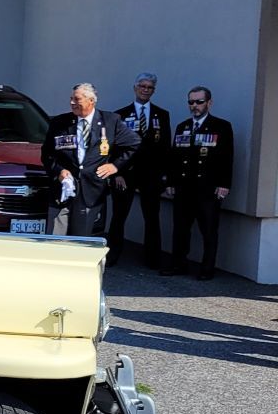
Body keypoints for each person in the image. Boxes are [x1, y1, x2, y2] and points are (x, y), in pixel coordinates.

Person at [41, 83, 140, 236]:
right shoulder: (59, 123)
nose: (72, 103)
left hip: (91, 192)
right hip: (62, 191)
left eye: (77, 99)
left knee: (81, 242)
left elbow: (134, 143)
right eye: (71, 98)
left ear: (91, 101)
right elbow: (47, 154)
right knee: (54, 238)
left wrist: (115, 166)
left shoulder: (110, 121)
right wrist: (59, 171)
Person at [162, 86, 234, 280]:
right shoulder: (183, 126)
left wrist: (224, 184)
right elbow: (175, 157)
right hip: (184, 188)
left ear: (209, 103)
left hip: (207, 189)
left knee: (209, 230)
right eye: (191, 102)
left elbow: (227, 158)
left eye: (199, 102)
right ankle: (178, 264)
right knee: (180, 229)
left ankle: (207, 268)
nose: (194, 106)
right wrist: (170, 181)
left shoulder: (221, 126)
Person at [111, 73, 172, 267]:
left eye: (150, 87)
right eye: (142, 86)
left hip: (151, 175)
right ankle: (112, 255)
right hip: (126, 174)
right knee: (119, 216)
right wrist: (117, 172)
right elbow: (113, 147)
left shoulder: (162, 115)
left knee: (152, 217)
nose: (146, 90)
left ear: (154, 90)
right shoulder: (120, 114)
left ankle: (152, 259)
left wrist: (165, 175)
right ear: (135, 87)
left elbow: (165, 147)